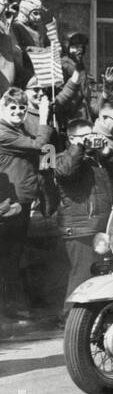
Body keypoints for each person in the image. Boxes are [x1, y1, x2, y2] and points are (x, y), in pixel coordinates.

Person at [54, 117, 113, 307]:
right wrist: (78, 148)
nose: (91, 140)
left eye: (93, 135)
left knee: (104, 274)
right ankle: (71, 318)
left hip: (103, 225)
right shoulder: (63, 157)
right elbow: (66, 172)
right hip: (80, 228)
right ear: (71, 139)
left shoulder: (99, 160)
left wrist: (108, 153)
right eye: (85, 137)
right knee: (82, 274)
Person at [0, 84, 53, 328]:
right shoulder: (4, 132)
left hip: (22, 199)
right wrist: (43, 116)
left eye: (22, 108)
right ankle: (12, 308)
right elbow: (40, 145)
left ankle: (14, 307)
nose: (19, 112)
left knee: (14, 254)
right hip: (11, 202)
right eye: (13, 107)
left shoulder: (15, 128)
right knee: (10, 256)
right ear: (2, 106)